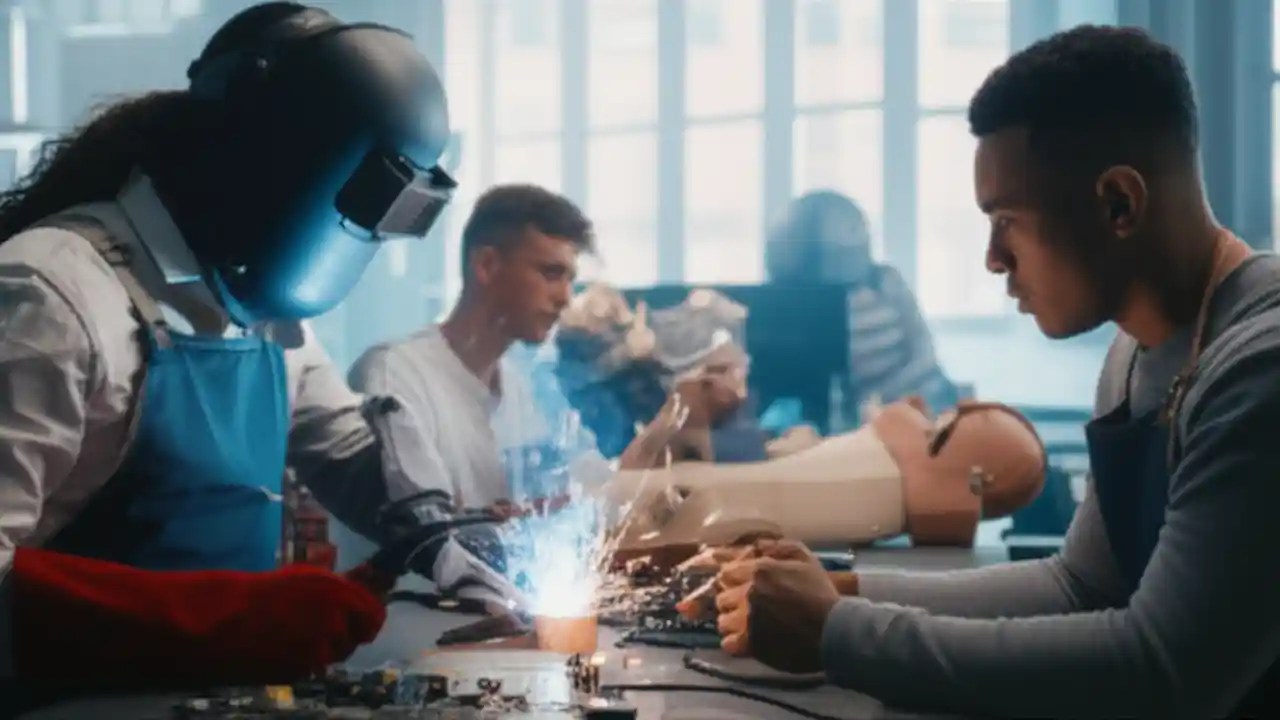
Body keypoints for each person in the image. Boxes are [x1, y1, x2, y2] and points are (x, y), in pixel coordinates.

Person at [705, 26, 1280, 718]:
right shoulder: (1133, 354)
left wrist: (837, 633)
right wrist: (838, 590)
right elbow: (1080, 586)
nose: (992, 259)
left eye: (1006, 219)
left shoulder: (1259, 369)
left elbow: (1163, 670)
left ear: (1119, 204)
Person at [0, 2, 460, 701]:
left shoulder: (260, 308)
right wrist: (227, 616)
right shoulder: (57, 296)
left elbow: (350, 456)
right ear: (269, 163)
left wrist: (450, 527)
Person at [336, 184, 685, 570]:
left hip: (491, 596)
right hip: (407, 600)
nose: (565, 298)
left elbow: (594, 492)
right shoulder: (395, 376)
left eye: (569, 279)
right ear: (487, 266)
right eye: (550, 273)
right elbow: (424, 536)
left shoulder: (522, 387)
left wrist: (670, 426)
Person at [766, 190, 958, 421]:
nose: (857, 236)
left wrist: (887, 400)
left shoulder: (886, 281)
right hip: (860, 419)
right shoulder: (801, 304)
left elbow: (923, 349)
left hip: (921, 396)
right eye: (845, 229)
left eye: (858, 227)